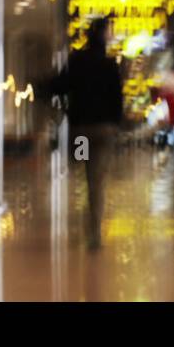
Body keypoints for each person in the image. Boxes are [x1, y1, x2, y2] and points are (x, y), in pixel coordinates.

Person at [57, 17, 123, 250]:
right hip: (104, 130)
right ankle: (94, 232)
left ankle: (85, 224)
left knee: (84, 174)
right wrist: (117, 125)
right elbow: (117, 100)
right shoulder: (110, 65)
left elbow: (62, 85)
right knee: (97, 180)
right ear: (104, 35)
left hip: (82, 129)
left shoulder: (77, 61)